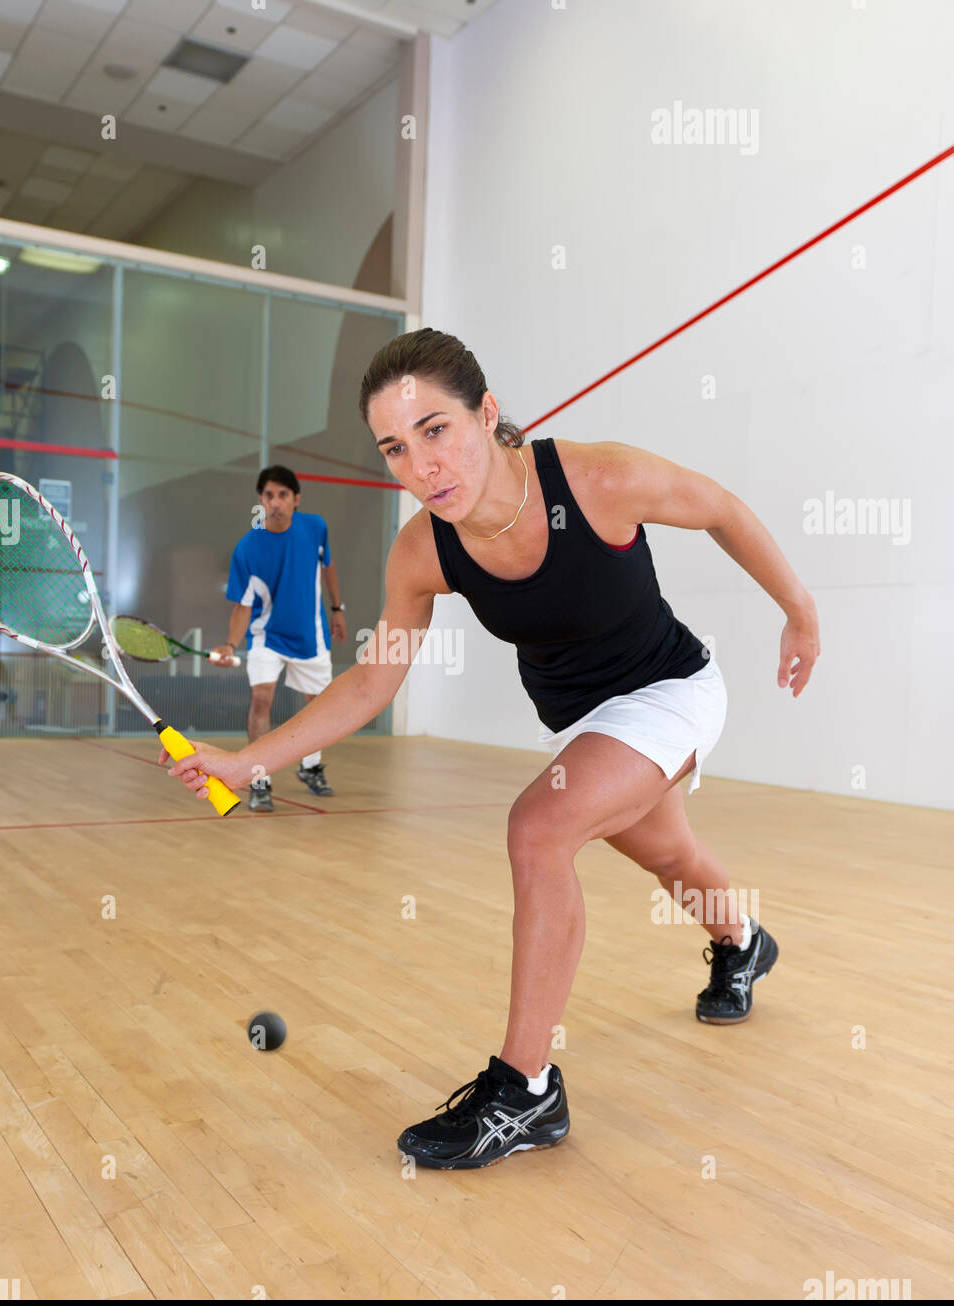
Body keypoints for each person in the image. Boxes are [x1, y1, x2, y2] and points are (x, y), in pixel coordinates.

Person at [165, 329, 820, 1171]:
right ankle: (743, 944)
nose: (421, 466)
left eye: (436, 430)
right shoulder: (423, 550)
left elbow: (721, 507)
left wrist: (798, 610)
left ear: (487, 414)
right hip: (585, 728)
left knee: (538, 831)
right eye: (395, 448)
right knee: (669, 851)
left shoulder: (594, 479)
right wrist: (246, 762)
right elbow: (372, 681)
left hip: (672, 691)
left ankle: (525, 1089)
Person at [211, 466, 347, 810]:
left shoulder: (316, 528)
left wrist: (337, 608)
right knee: (261, 699)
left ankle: (310, 766)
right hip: (266, 637)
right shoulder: (248, 549)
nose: (276, 503)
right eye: (269, 495)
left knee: (320, 709)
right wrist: (230, 643)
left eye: (283, 495)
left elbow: (327, 566)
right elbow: (242, 607)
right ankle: (260, 778)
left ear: (296, 499)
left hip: (310, 637)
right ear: (261, 499)